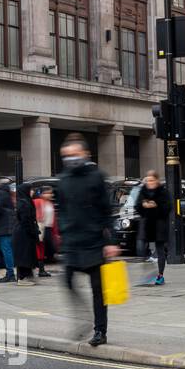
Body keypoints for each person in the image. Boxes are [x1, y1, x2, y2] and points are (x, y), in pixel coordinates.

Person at [56, 134, 117, 346]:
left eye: (74, 155)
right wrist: (63, 232)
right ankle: (83, 318)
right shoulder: (62, 180)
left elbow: (107, 211)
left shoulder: (96, 176)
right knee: (66, 281)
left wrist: (111, 242)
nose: (70, 159)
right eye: (66, 156)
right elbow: (61, 209)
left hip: (94, 241)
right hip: (72, 242)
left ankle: (100, 331)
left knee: (98, 290)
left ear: (85, 154)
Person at [133, 171, 171, 286]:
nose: (149, 182)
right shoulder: (143, 191)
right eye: (147, 180)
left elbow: (168, 208)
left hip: (159, 224)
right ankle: (149, 272)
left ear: (157, 180)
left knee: (160, 250)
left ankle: (160, 275)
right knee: (140, 247)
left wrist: (156, 206)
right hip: (146, 223)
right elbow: (137, 206)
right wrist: (143, 205)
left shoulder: (163, 191)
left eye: (151, 180)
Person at [11, 181, 40, 284]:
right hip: (23, 234)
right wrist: (32, 231)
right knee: (24, 256)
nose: (32, 191)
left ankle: (27, 276)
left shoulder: (26, 201)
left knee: (27, 255)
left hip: (25, 233)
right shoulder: (24, 203)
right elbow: (25, 220)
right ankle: (23, 278)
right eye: (30, 189)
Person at [34, 186, 56, 277]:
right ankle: (40, 269)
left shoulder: (50, 203)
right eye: (48, 193)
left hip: (48, 228)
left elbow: (53, 219)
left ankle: (41, 268)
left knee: (44, 249)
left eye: (51, 193)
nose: (51, 194)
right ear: (42, 194)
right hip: (41, 228)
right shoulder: (37, 202)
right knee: (40, 248)